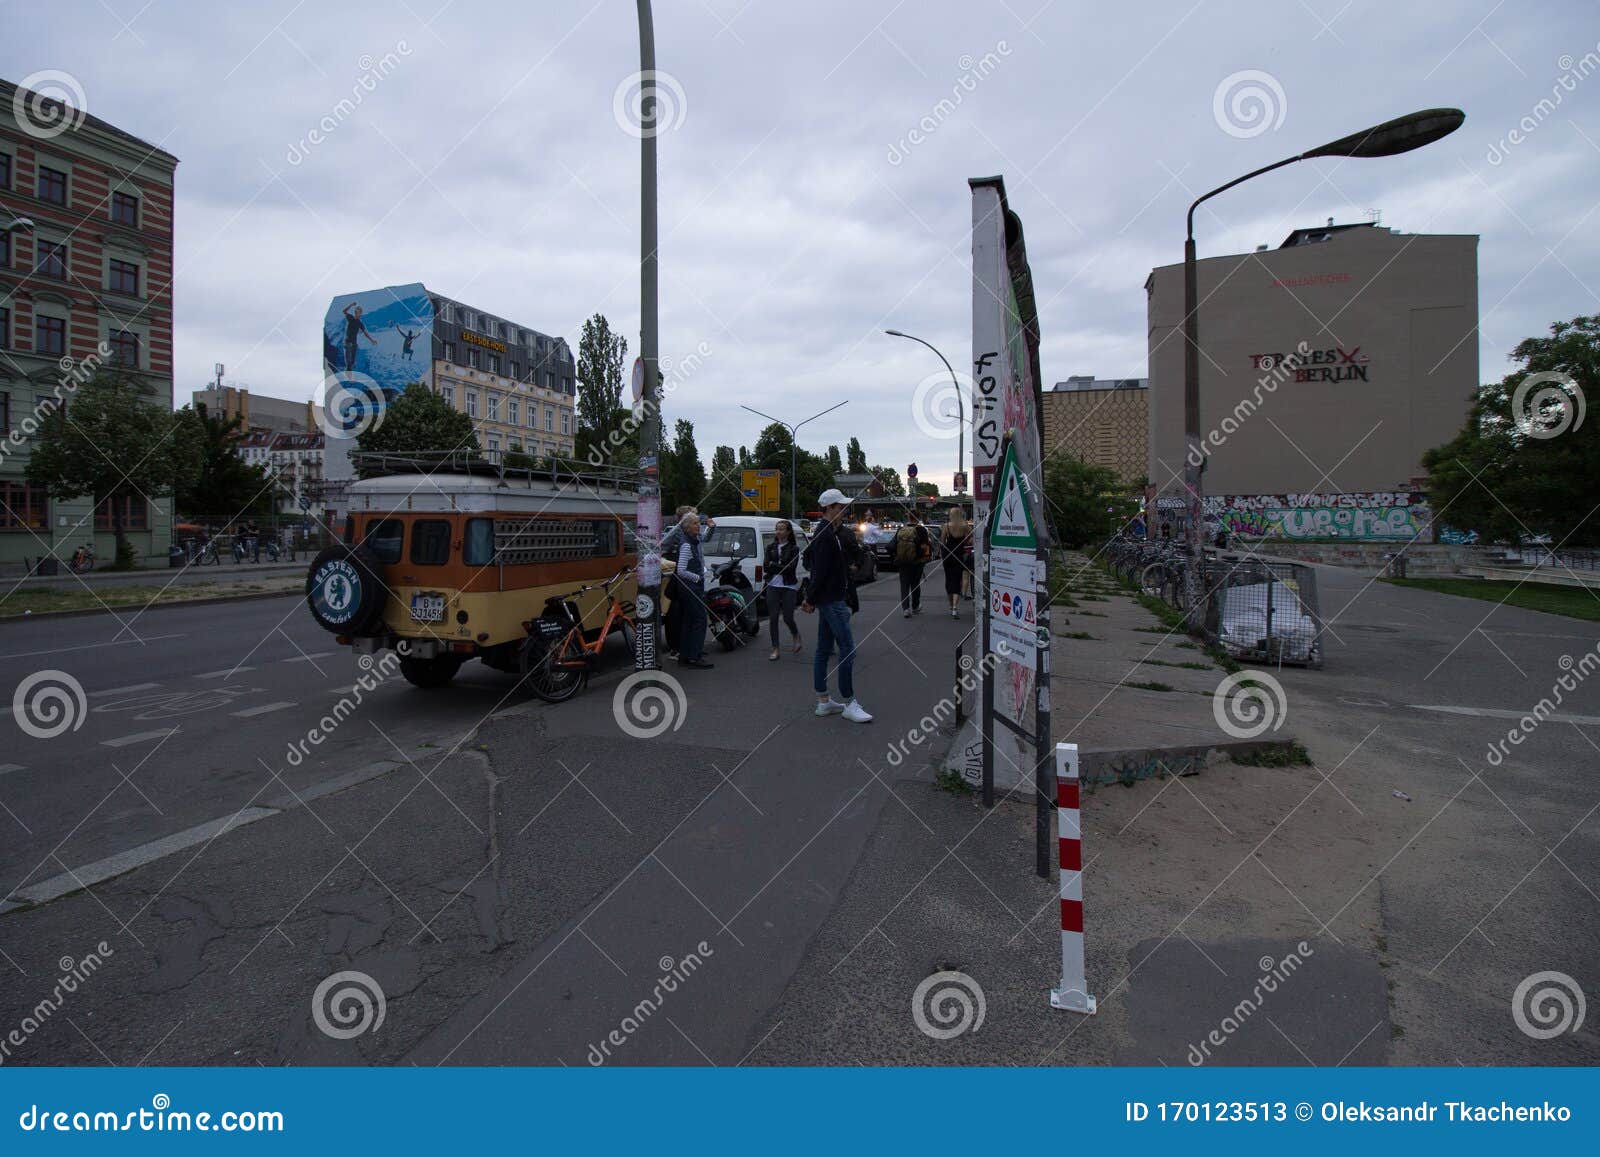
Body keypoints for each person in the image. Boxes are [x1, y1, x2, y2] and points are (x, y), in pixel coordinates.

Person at [801, 490, 871, 723]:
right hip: (832, 600)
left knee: (823, 649)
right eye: (841, 506)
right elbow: (819, 571)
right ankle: (849, 702)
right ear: (830, 508)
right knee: (847, 649)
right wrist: (810, 598)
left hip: (828, 598)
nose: (844, 510)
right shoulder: (827, 535)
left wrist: (812, 598)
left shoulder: (825, 532)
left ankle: (824, 701)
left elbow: (818, 569)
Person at [672, 511, 716, 669]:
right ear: (687, 526)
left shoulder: (693, 540)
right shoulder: (686, 545)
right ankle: (694, 656)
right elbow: (681, 570)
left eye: (699, 522)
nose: (699, 526)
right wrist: (698, 578)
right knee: (699, 620)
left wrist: (711, 528)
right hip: (690, 587)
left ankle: (685, 655)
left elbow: (706, 537)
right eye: (696, 523)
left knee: (689, 621)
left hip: (689, 587)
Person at [763, 519, 803, 660]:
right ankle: (775, 648)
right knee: (773, 618)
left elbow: (790, 568)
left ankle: (796, 634)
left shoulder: (794, 549)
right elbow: (766, 566)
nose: (778, 531)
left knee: (787, 617)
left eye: (781, 529)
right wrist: (778, 566)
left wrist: (775, 565)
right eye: (777, 529)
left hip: (788, 586)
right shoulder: (770, 547)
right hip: (773, 585)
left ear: (788, 531)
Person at [892, 509, 932, 618]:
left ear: (908, 517)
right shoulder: (921, 530)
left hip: (903, 561)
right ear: (918, 518)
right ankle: (915, 607)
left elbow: (892, 545)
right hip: (917, 561)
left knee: (904, 585)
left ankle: (905, 609)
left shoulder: (901, 529)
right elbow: (926, 545)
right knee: (915, 584)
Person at [940, 508, 972, 619]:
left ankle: (950, 605)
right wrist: (964, 542)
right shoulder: (965, 525)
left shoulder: (947, 526)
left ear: (951, 515)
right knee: (957, 580)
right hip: (959, 555)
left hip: (948, 556)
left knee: (948, 580)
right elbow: (970, 538)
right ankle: (954, 607)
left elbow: (942, 542)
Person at [341, 302, 377, 372]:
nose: (357, 313)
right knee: (349, 364)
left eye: (359, 312)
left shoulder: (360, 323)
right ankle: (349, 375)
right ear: (355, 313)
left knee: (352, 363)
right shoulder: (350, 317)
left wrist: (372, 340)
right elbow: (344, 311)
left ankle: (349, 372)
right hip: (348, 343)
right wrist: (351, 304)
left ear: (361, 313)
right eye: (356, 312)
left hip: (354, 344)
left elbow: (365, 333)